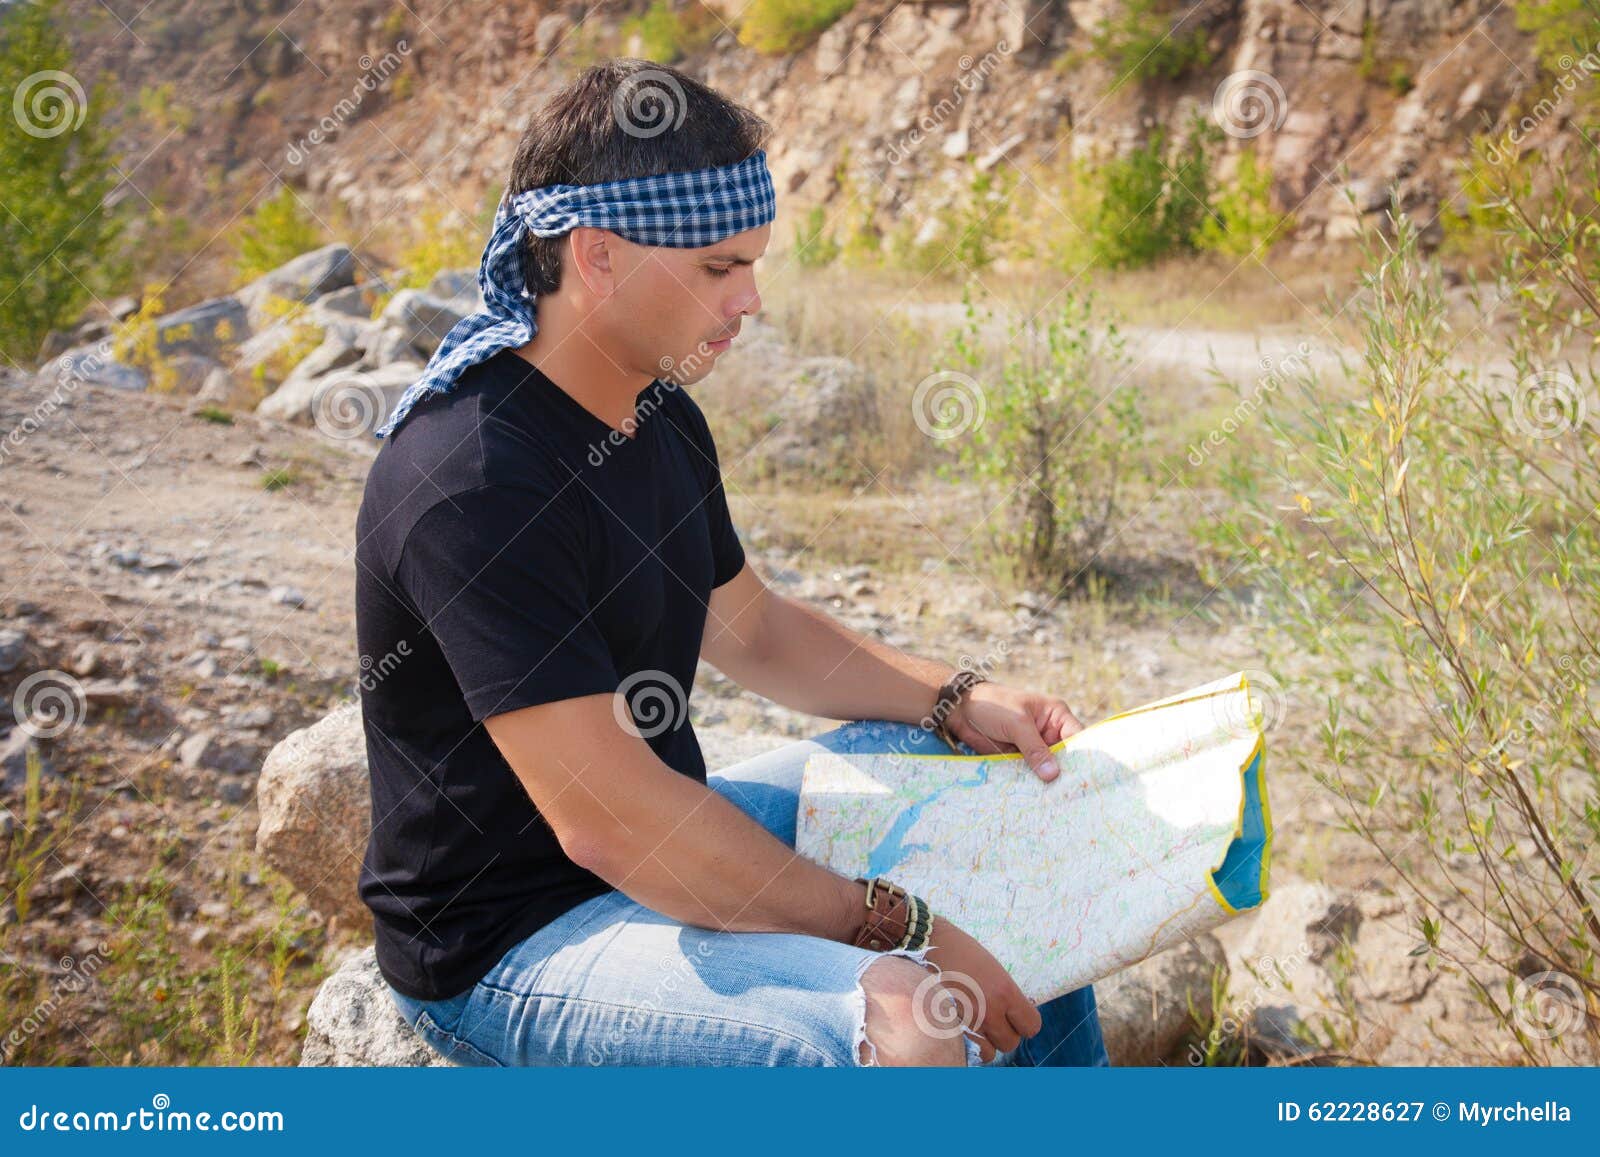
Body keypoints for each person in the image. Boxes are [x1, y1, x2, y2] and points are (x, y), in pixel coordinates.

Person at [352, 58, 1109, 1067]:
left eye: (752, 263)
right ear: (598, 256)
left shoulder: (657, 410)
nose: (749, 299)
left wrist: (956, 697)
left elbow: (751, 628)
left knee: (990, 805)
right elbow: (614, 823)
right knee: (907, 1018)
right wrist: (893, 925)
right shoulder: (471, 477)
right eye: (719, 268)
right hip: (512, 940)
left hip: (663, 845)